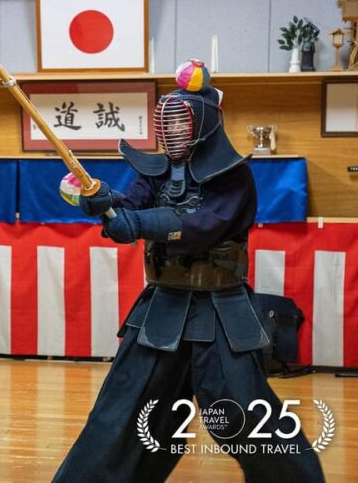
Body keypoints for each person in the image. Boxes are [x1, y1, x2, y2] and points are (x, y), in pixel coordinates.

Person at [53, 60, 324, 483]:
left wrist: (138, 224)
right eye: (168, 124)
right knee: (121, 410)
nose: (173, 132)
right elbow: (131, 209)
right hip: (161, 309)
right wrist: (103, 201)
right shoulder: (157, 170)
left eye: (182, 123)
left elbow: (202, 226)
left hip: (220, 312)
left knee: (245, 416)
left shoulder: (234, 178)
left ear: (205, 125)